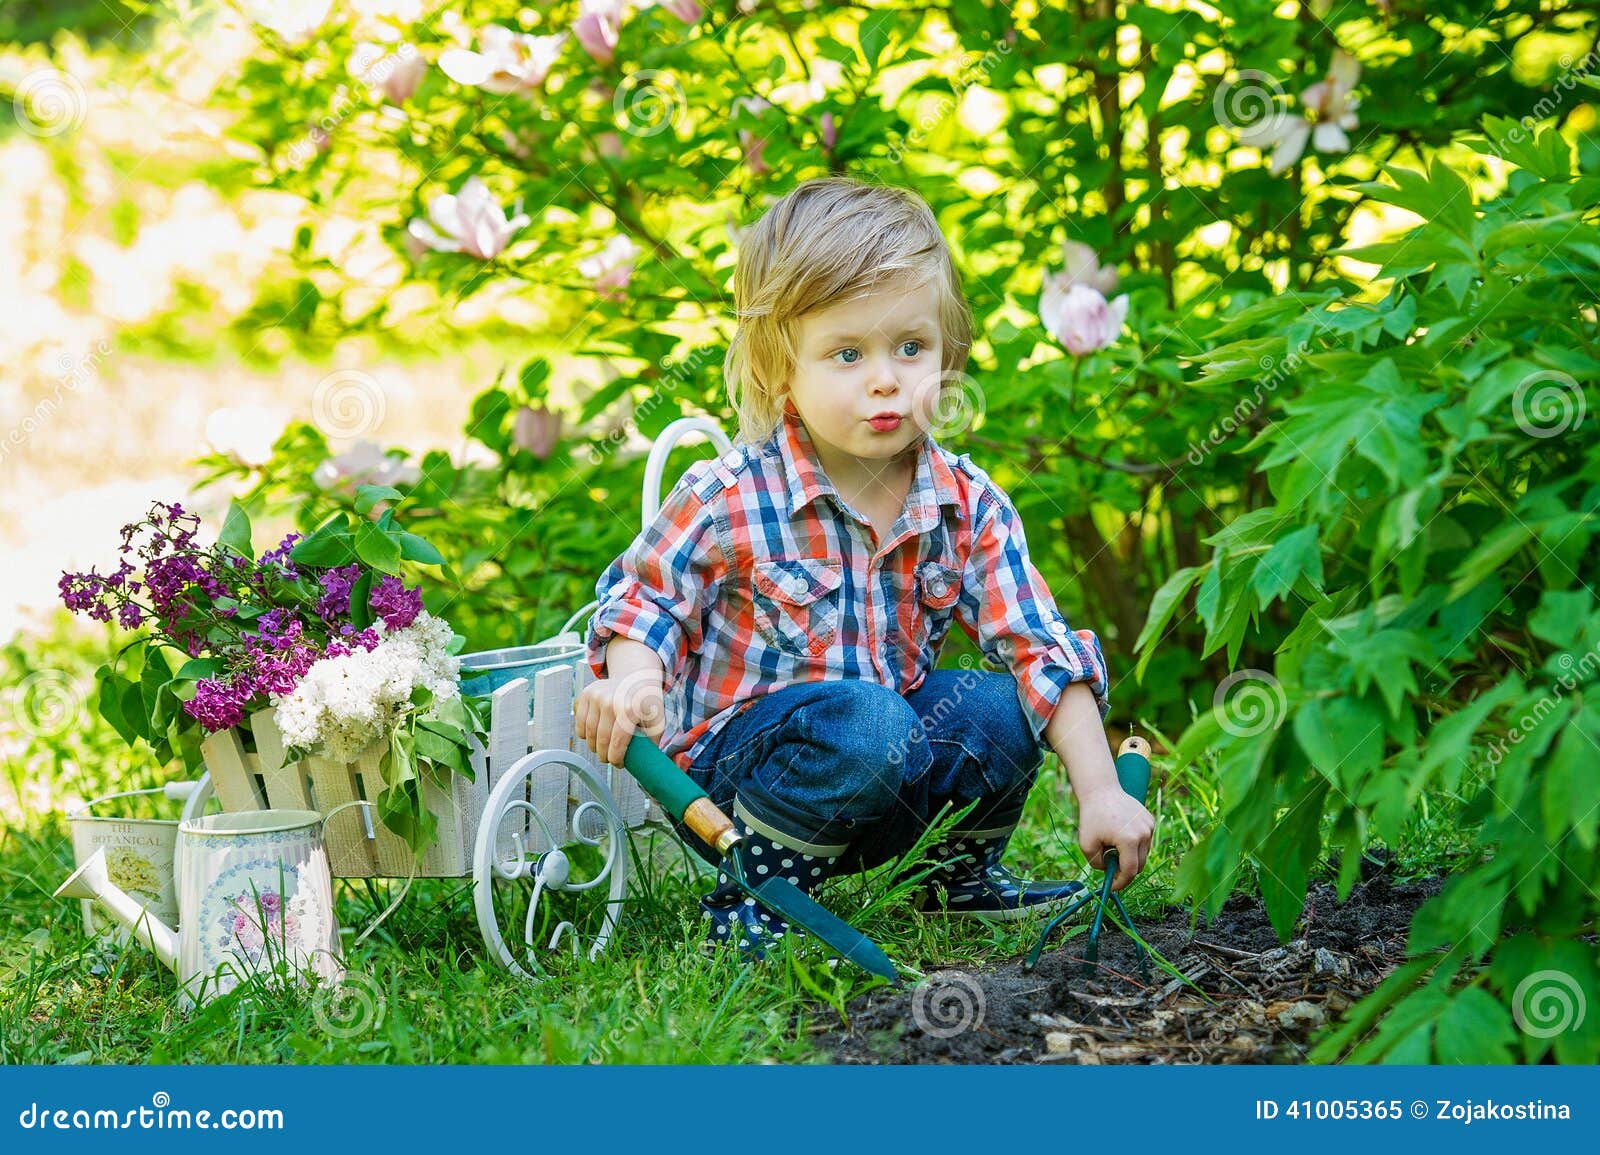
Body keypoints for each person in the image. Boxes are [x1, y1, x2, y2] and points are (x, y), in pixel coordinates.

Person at [575, 176, 1154, 956]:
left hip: (888, 761)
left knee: (999, 708)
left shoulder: (965, 503)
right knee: (869, 721)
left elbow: (1040, 649)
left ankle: (952, 877)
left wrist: (1101, 789)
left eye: (910, 348)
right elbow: (642, 603)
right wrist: (635, 678)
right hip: (743, 781)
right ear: (782, 368)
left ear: (947, 354)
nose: (886, 378)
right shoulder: (732, 496)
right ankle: (756, 894)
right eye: (847, 353)